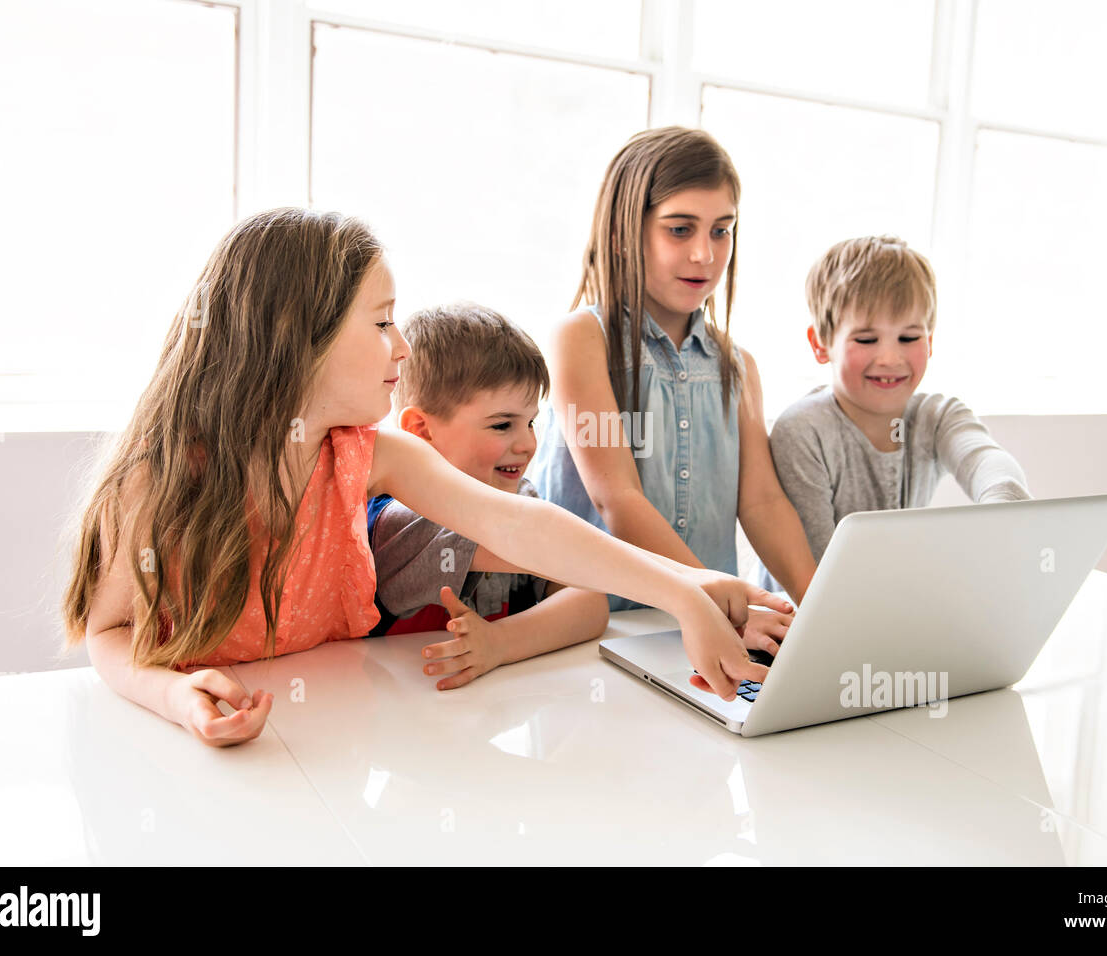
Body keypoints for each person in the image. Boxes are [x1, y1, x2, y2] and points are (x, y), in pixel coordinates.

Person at [61, 208, 789, 748]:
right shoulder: (156, 476)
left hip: (335, 737)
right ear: (297, 341)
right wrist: (175, 696)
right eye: (381, 324)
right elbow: (108, 633)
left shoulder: (364, 453)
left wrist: (686, 590)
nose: (402, 346)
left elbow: (517, 524)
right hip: (194, 754)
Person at [531, 126, 817, 658]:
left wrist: (822, 604)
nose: (705, 255)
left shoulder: (739, 367)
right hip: (599, 631)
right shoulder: (582, 340)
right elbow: (615, 498)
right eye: (680, 230)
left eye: (722, 230)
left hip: (718, 631)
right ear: (624, 232)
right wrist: (714, 606)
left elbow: (763, 503)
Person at [367, 302, 610, 690]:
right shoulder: (404, 522)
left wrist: (499, 643)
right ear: (420, 430)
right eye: (502, 425)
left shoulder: (520, 497)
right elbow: (577, 565)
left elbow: (590, 600)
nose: (528, 443)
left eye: (531, 422)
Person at [762, 234, 1031, 584]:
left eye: (909, 338)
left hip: (885, 599)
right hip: (800, 611)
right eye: (866, 339)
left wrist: (1003, 511)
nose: (890, 358)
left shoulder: (937, 416)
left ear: (930, 341)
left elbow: (987, 463)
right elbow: (821, 571)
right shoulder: (803, 430)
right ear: (821, 344)